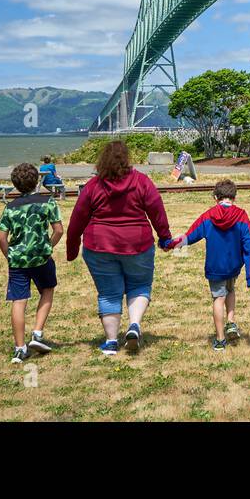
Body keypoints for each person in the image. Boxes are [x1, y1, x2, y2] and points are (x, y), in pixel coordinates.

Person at [66, 140, 172, 355]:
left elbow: (77, 220)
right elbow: (156, 210)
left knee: (108, 293)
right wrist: (165, 238)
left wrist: (72, 249)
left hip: (99, 246)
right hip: (137, 245)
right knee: (140, 285)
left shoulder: (92, 186)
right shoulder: (142, 182)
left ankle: (111, 342)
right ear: (127, 159)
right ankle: (134, 325)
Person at [165, 179, 250, 351]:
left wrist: (169, 244)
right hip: (233, 267)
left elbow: (190, 236)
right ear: (234, 198)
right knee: (230, 290)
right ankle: (230, 322)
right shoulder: (242, 216)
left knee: (218, 298)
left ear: (216, 197)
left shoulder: (208, 216)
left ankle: (221, 339)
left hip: (215, 268)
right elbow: (249, 243)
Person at [0, 162, 63, 364]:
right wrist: (47, 246)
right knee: (48, 289)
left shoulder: (10, 208)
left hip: (18, 260)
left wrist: (10, 255)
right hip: (41, 257)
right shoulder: (48, 202)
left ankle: (19, 347)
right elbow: (59, 230)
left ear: (15, 185)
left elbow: (1, 237)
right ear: (37, 181)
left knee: (19, 301)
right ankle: (37, 333)